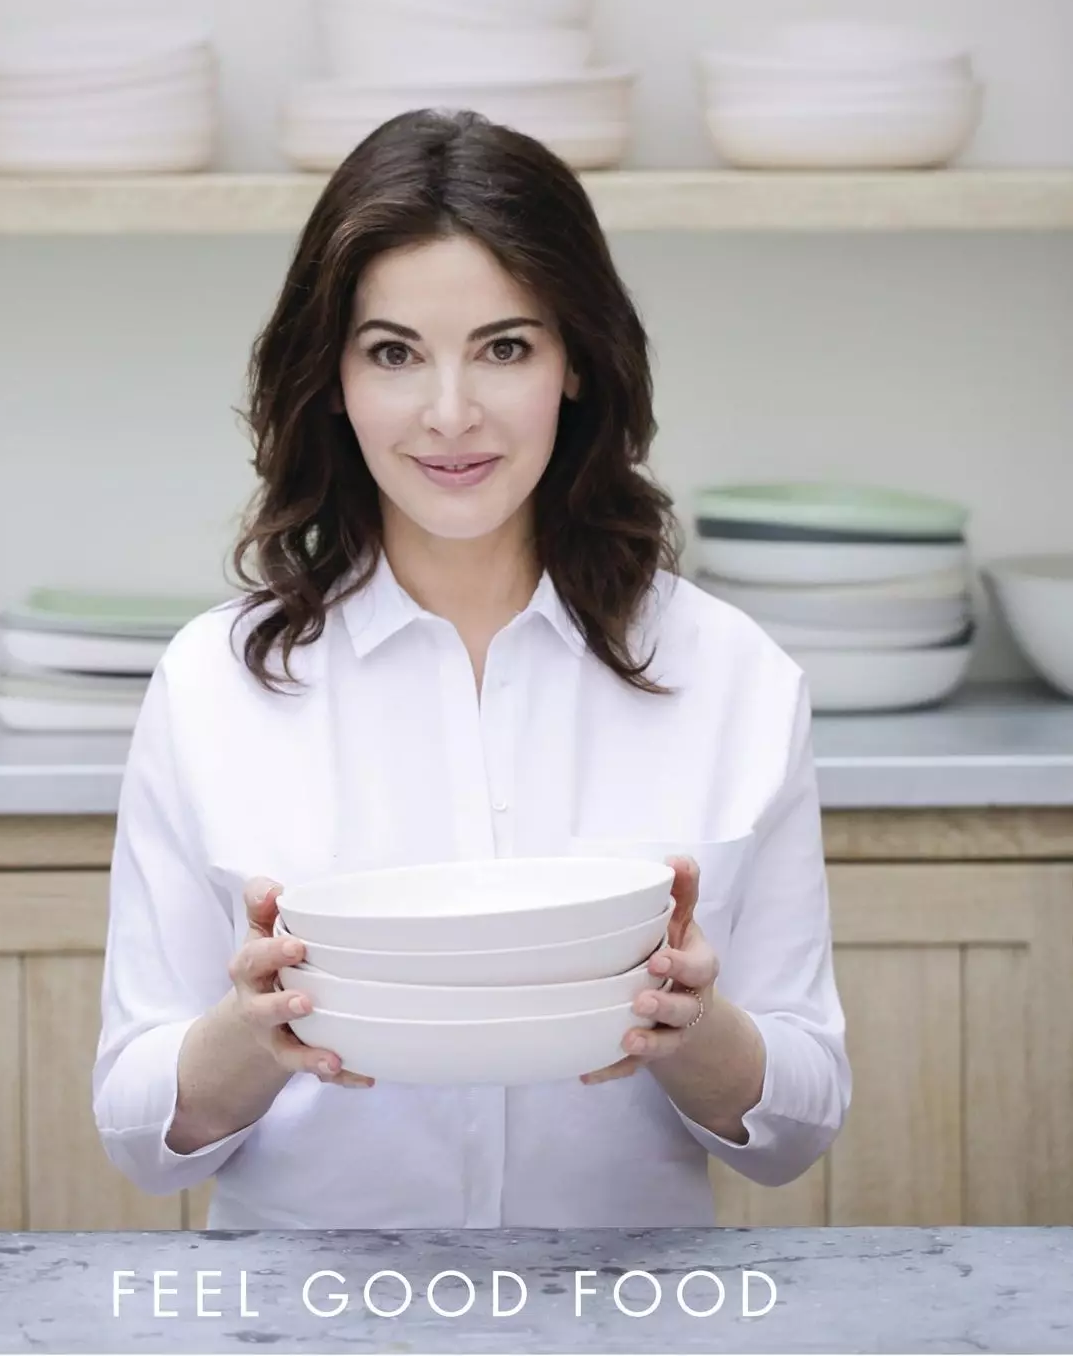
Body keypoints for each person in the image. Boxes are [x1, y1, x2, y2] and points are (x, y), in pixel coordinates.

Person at [92, 108, 850, 1229]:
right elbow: (140, 1138)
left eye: (505, 346)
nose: (451, 415)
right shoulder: (213, 685)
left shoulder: (730, 677)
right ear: (333, 381)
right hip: (304, 1322)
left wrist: (701, 1032)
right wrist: (248, 1036)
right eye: (394, 352)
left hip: (629, 1317)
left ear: (577, 364)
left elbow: (797, 1134)